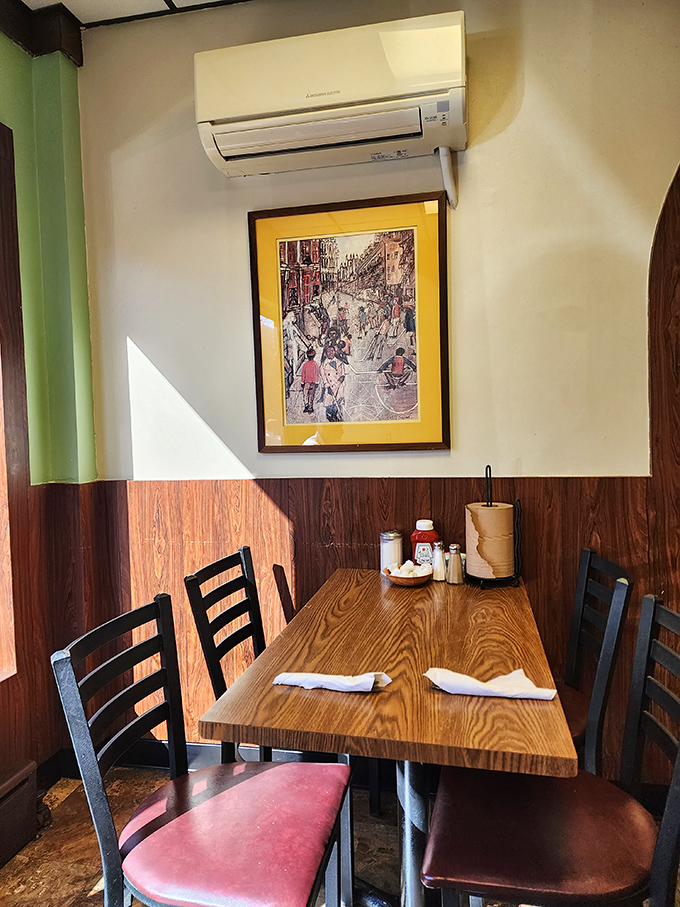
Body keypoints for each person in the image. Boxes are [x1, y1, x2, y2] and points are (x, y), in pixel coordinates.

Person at [320, 346, 345, 421]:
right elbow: (324, 378)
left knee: (338, 405)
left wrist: (338, 384)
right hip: (329, 388)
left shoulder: (340, 363)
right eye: (328, 351)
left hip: (338, 387)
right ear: (325, 353)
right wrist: (328, 386)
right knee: (329, 407)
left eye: (332, 351)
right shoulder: (323, 365)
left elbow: (343, 375)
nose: (331, 353)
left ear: (335, 352)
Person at [300, 348, 319, 413]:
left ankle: (306, 405)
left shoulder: (305, 365)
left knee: (305, 394)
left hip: (306, 382)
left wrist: (302, 382)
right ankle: (310, 408)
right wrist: (317, 382)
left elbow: (303, 374)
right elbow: (317, 374)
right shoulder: (315, 364)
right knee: (311, 395)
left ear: (307, 356)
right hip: (313, 382)